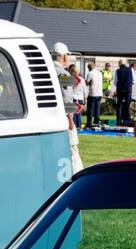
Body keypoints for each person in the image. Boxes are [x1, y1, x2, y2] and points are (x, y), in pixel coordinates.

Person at [52, 42, 83, 172]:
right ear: (64, 57)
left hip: (49, 117)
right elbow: (67, 98)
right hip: (63, 118)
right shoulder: (64, 75)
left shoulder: (43, 70)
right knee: (72, 151)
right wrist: (70, 120)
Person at [114, 58, 134, 126]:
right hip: (128, 90)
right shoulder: (130, 70)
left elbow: (115, 82)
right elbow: (134, 80)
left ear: (119, 63)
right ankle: (127, 122)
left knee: (119, 106)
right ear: (125, 63)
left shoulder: (117, 71)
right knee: (127, 106)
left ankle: (118, 122)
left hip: (120, 90)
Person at [85, 61, 103, 129]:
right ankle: (96, 122)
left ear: (89, 67)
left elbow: (87, 83)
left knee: (90, 109)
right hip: (99, 93)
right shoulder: (100, 73)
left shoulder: (90, 73)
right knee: (97, 109)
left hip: (93, 93)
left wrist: (86, 81)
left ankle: (89, 123)